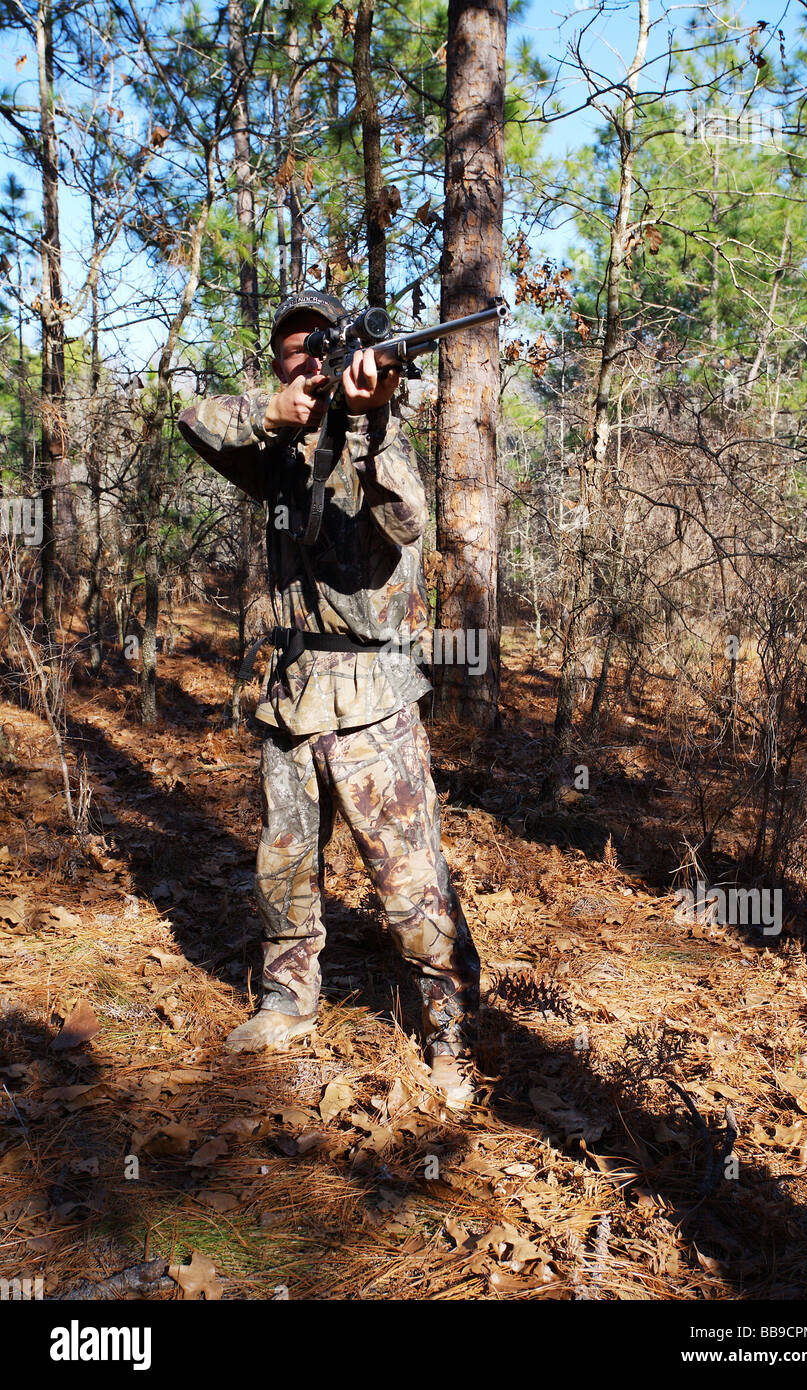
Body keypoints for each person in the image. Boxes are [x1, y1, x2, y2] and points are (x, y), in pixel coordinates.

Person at [177, 290, 481, 1106]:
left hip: (373, 697)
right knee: (284, 873)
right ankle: (288, 1000)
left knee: (409, 884)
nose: (314, 361)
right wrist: (278, 412)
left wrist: (367, 424)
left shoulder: (384, 436)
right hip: (287, 695)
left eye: (325, 347)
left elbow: (409, 521)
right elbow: (194, 420)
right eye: (296, 354)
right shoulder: (273, 447)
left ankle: (447, 1028)